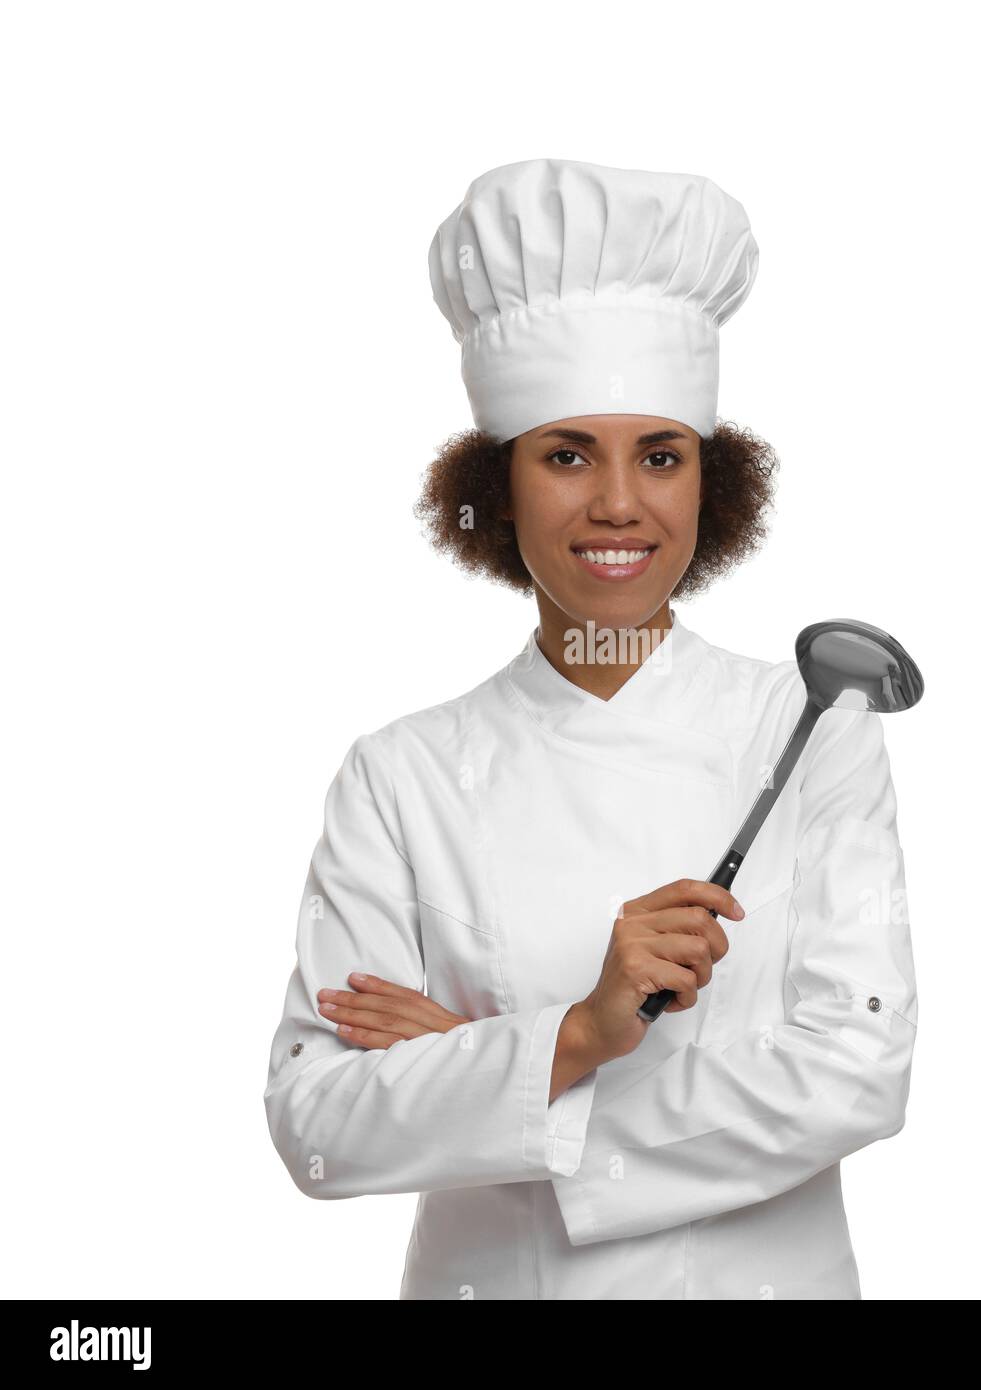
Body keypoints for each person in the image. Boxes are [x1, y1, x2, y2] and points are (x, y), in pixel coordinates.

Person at [263, 158, 918, 1300]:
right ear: (497, 486)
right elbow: (317, 1121)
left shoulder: (811, 728)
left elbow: (858, 1072)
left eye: (659, 456)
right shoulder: (400, 774)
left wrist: (490, 1077)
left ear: (709, 488)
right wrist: (573, 1033)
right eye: (565, 454)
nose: (617, 504)